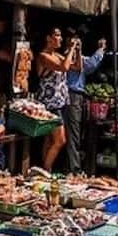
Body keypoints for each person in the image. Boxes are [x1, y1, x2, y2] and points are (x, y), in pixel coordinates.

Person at [64, 26, 106, 173]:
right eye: (73, 40)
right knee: (72, 133)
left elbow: (90, 64)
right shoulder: (65, 58)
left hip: (78, 97)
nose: (76, 43)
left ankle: (74, 166)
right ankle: (73, 169)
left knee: (77, 132)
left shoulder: (78, 57)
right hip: (71, 96)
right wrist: (76, 49)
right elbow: (81, 66)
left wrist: (100, 50)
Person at [36, 28, 77, 171]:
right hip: (50, 103)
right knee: (60, 140)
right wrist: (71, 49)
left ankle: (45, 168)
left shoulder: (58, 55)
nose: (60, 38)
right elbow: (64, 67)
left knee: (50, 139)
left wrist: (77, 50)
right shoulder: (43, 56)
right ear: (48, 38)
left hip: (59, 102)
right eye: (57, 35)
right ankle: (47, 169)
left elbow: (77, 67)